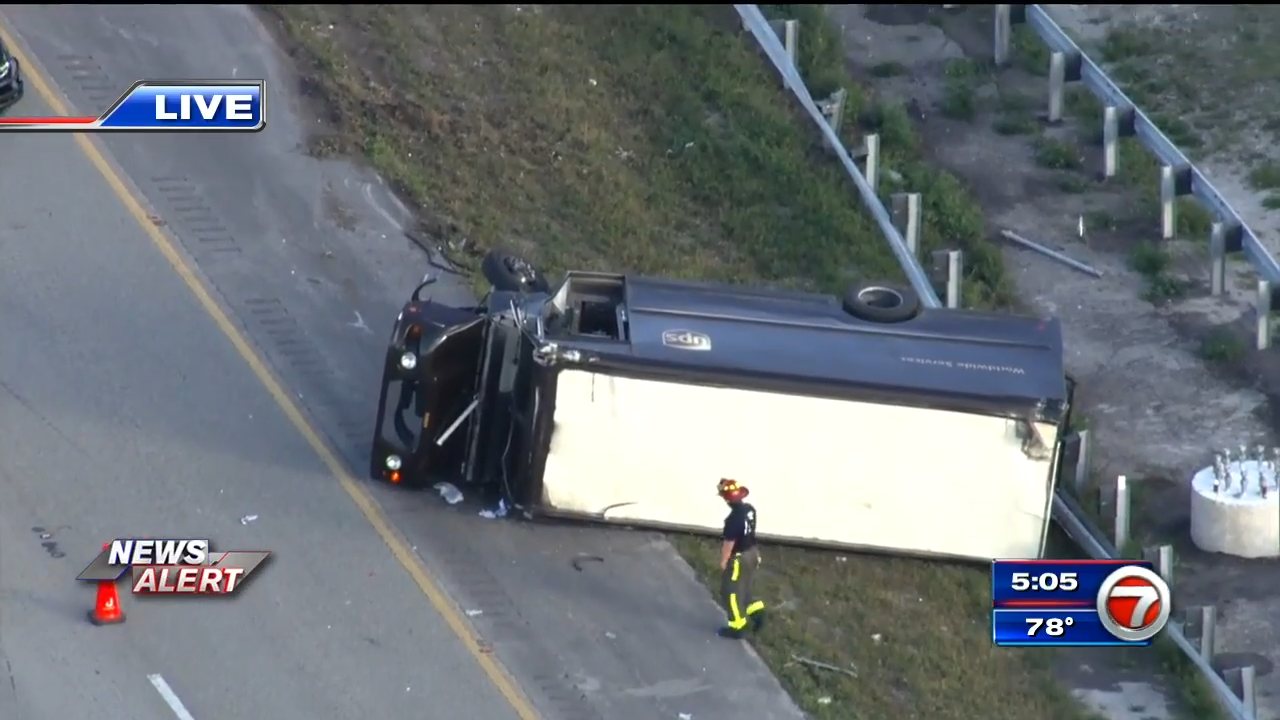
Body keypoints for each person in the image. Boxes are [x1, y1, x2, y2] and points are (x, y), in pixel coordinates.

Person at [715, 478, 766, 638]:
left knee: (731, 591)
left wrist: (724, 560)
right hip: (752, 553)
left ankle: (738, 625)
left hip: (739, 558)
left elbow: (730, 542)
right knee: (746, 587)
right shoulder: (749, 510)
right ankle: (757, 613)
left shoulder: (732, 519)